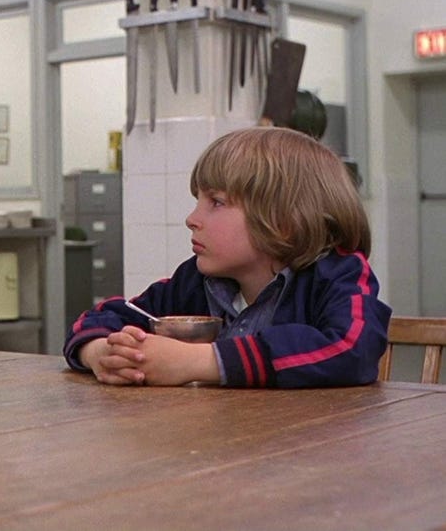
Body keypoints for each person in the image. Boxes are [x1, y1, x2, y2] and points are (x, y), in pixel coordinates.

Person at [64, 126, 391, 388]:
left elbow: (353, 350)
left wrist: (198, 362)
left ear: (284, 222)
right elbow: (103, 317)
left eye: (216, 202)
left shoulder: (338, 273)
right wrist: (101, 353)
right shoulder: (196, 280)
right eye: (197, 201)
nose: (192, 219)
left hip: (308, 446)